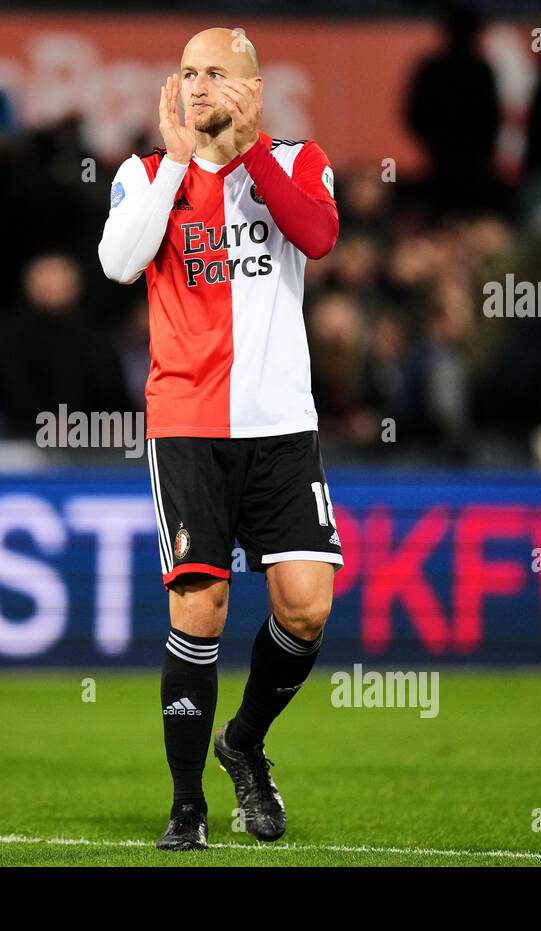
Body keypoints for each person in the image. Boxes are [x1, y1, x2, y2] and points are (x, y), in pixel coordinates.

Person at [98, 27, 341, 850]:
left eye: (217, 75)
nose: (198, 87)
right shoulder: (143, 173)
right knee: (199, 608)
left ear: (253, 88)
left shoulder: (299, 162)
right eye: (188, 74)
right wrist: (175, 163)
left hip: (281, 426)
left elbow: (316, 234)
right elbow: (118, 262)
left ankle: (244, 742)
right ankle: (187, 806)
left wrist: (251, 152)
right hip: (189, 426)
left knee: (305, 609)